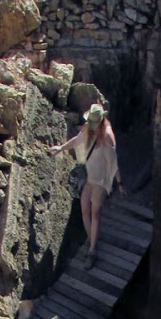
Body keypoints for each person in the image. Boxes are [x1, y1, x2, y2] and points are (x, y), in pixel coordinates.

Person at [50, 100, 123, 268]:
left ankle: (92, 250)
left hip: (102, 180)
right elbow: (77, 141)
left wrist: (119, 182)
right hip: (90, 177)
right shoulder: (88, 130)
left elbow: (113, 163)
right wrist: (60, 148)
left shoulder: (108, 138)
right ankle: (92, 239)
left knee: (95, 212)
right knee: (84, 210)